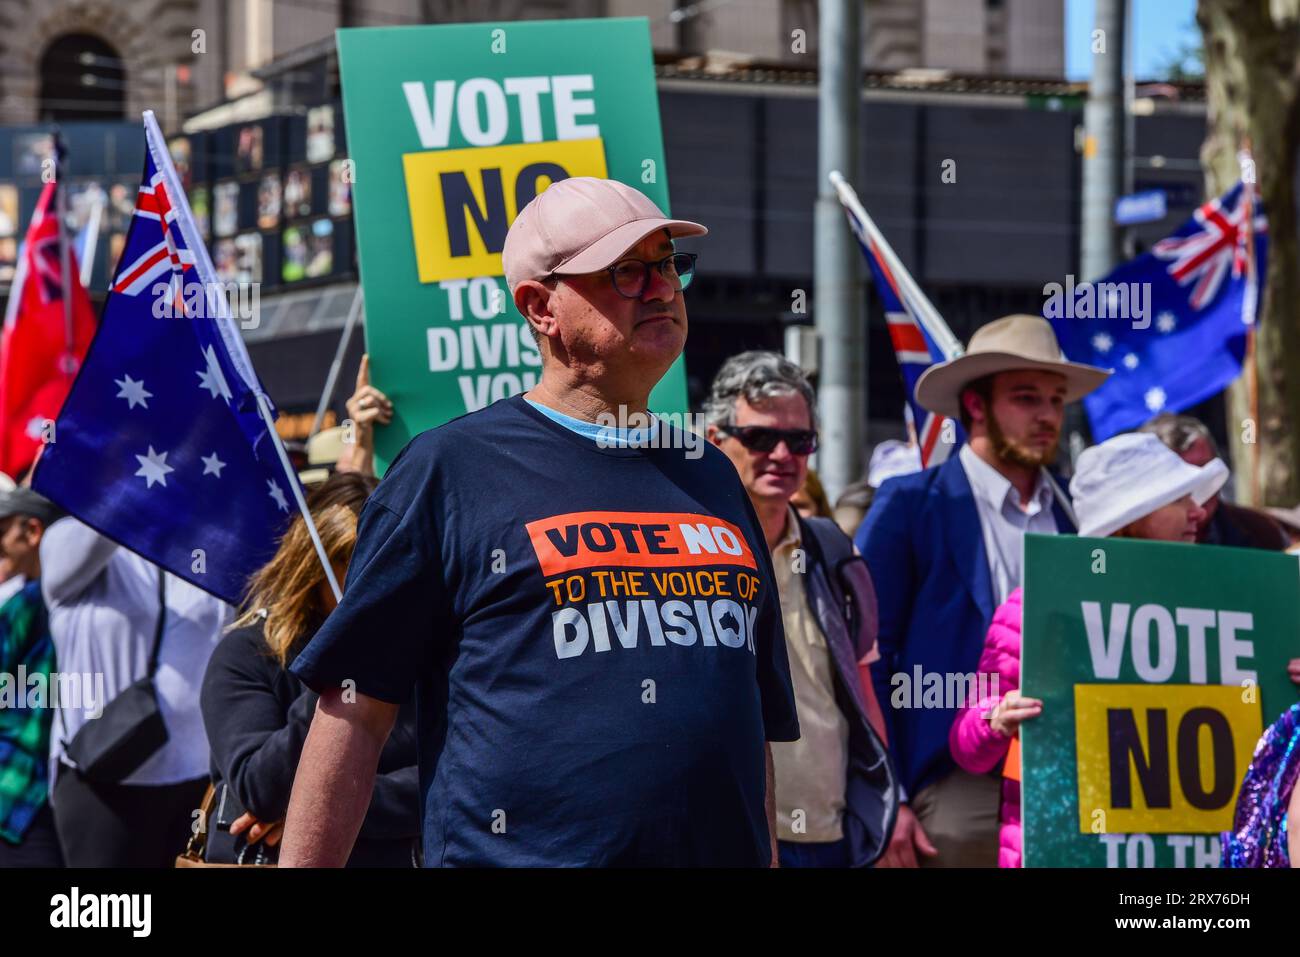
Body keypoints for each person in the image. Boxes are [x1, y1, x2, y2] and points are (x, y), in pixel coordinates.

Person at [279, 177, 799, 867]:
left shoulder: (710, 474)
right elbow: (353, 710)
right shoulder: (447, 470)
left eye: (669, 263)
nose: (662, 288)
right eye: (627, 271)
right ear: (540, 307)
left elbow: (749, 720)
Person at [856, 314, 1109, 867]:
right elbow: (866, 657)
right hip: (948, 777)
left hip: (1069, 766)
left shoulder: (1081, 511)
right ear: (975, 405)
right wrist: (888, 797)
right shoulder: (911, 503)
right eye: (1025, 398)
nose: (1047, 416)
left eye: (1055, 399)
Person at [950, 431, 1228, 867]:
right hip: (1065, 848)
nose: (1198, 511)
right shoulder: (1035, 607)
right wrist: (997, 719)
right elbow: (966, 744)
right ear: (1129, 519)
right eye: (1177, 500)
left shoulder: (1219, 609)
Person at [705, 351, 897, 868]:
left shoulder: (835, 552)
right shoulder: (678, 550)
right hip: (721, 831)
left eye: (801, 440)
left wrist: (888, 807)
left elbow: (860, 690)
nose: (783, 454)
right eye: (762, 438)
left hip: (826, 833)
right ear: (713, 438)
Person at [201, 472, 420, 866]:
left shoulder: (414, 650)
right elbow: (258, 789)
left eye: (385, 562)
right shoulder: (248, 653)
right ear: (313, 565)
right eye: (352, 562)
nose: (372, 581)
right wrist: (333, 669)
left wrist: (316, 811)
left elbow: (444, 781)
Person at [40, 517, 232, 867]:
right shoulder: (71, 538)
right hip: (104, 777)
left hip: (197, 780)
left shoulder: (208, 547)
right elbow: (114, 507)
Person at [0, 488, 64, 867]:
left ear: (32, 531)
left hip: (24, 789)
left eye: (1, 530)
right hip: (29, 789)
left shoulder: (28, 602)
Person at [1139, 413, 1288, 549]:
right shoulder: (1123, 545)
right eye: (1183, 479)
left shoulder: (1262, 533)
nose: (1201, 484)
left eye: (1208, 470)